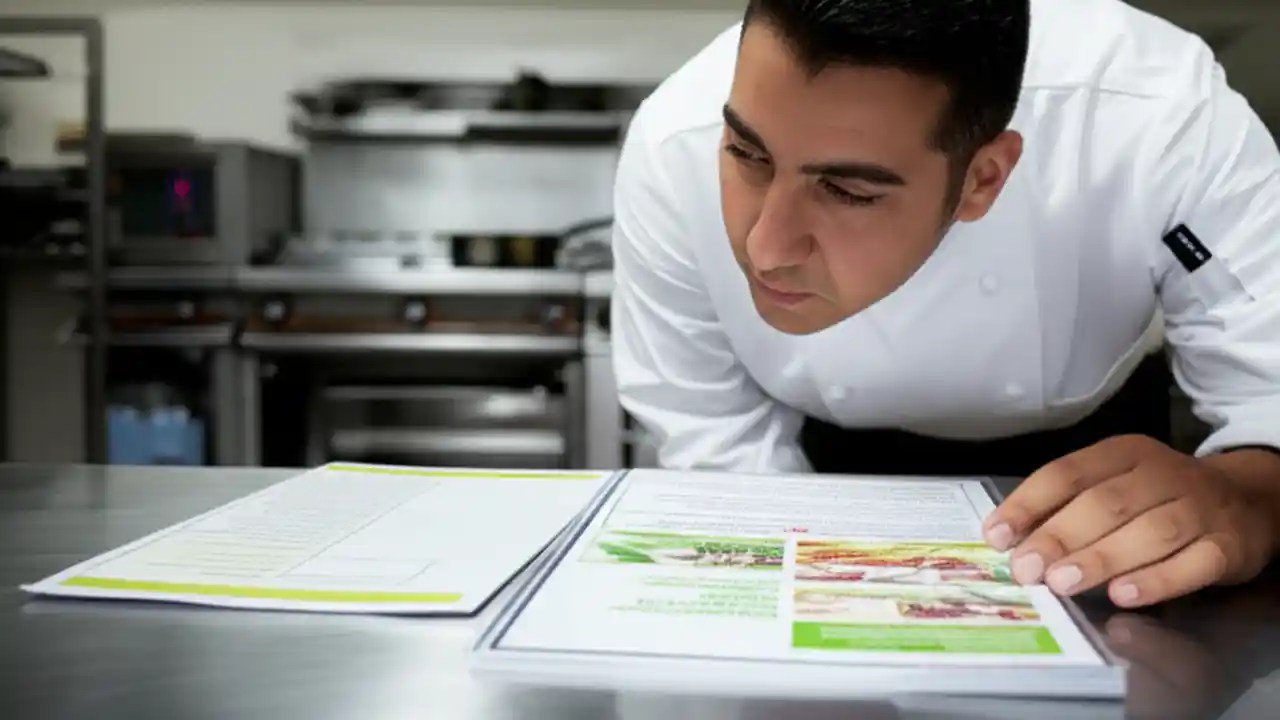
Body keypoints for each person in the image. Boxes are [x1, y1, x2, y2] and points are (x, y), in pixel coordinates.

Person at [610, 0, 1280, 609]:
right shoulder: (674, 144)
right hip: (807, 462)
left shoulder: (1159, 118)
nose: (766, 249)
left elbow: (1268, 397)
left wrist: (1249, 495)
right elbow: (711, 437)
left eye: (847, 190)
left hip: (1098, 472)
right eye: (747, 154)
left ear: (984, 179)